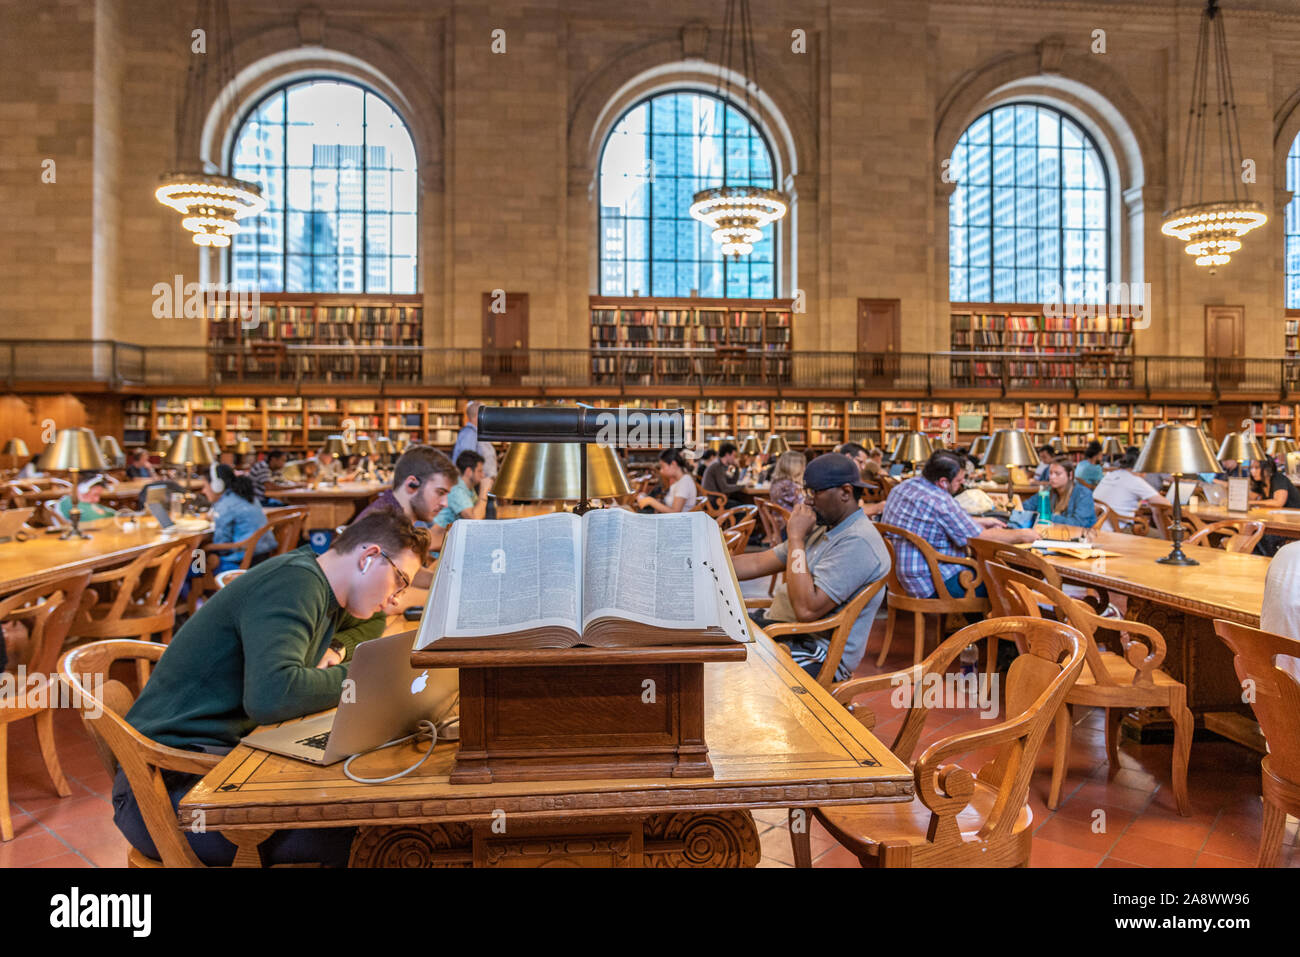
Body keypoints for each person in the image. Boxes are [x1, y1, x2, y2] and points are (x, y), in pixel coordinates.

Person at [112, 509, 428, 867]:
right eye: (400, 581)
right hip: (162, 793)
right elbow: (274, 696)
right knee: (374, 834)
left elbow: (372, 626)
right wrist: (367, 682)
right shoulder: (295, 584)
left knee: (364, 805)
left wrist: (338, 650)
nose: (396, 600)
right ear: (370, 557)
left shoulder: (323, 585)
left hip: (212, 768)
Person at [732, 454, 891, 681]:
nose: (807, 501)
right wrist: (705, 565)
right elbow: (758, 562)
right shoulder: (824, 527)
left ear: (846, 492)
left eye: (815, 492)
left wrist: (795, 537)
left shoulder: (857, 542)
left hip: (818, 653)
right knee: (713, 639)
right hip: (785, 630)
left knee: (727, 668)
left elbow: (807, 611)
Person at [881, 450, 1039, 600]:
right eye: (958, 480)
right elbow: (980, 537)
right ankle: (991, 628)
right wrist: (1023, 534)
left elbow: (930, 520)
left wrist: (977, 521)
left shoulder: (903, 488)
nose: (962, 483)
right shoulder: (940, 500)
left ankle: (973, 626)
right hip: (933, 582)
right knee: (1005, 586)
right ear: (943, 482)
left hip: (902, 579)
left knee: (989, 576)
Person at [354, 444, 458, 557]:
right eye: (440, 493)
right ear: (412, 484)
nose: (445, 503)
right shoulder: (384, 527)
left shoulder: (399, 514)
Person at [203, 464, 278, 572]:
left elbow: (221, 544)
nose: (203, 491)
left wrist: (208, 549)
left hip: (242, 563)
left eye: (205, 486)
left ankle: (197, 583)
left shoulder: (225, 505)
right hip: (261, 558)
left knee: (199, 555)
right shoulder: (246, 495)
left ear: (217, 485)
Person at [1092, 450, 1169, 528]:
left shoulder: (1110, 475)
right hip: (1119, 531)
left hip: (1095, 528)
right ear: (1142, 466)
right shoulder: (1134, 480)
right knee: (1158, 536)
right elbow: (1165, 504)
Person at [434, 450, 494, 532]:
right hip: (441, 536)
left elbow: (480, 511)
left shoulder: (469, 487)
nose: (483, 475)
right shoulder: (456, 488)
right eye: (479, 471)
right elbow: (475, 519)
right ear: (469, 472)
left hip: (453, 533)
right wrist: (483, 492)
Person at [637, 449, 698, 513]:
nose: (661, 471)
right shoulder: (679, 480)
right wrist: (650, 500)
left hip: (677, 521)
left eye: (663, 467)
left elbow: (675, 512)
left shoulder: (684, 482)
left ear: (673, 464)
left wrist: (651, 501)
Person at [1045, 458, 1098, 527]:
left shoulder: (1083, 494)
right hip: (1057, 533)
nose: (1052, 477)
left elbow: (1078, 523)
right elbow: (1028, 506)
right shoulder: (1049, 490)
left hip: (1079, 535)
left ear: (1070, 475)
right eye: (1050, 473)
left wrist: (1046, 517)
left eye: (1057, 474)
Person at [702, 442, 750, 508]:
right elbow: (725, 488)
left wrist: (736, 468)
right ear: (727, 455)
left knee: (740, 502)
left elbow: (732, 482)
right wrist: (743, 486)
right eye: (734, 456)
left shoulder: (721, 466)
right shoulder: (717, 466)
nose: (734, 458)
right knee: (744, 507)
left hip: (716, 500)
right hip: (714, 502)